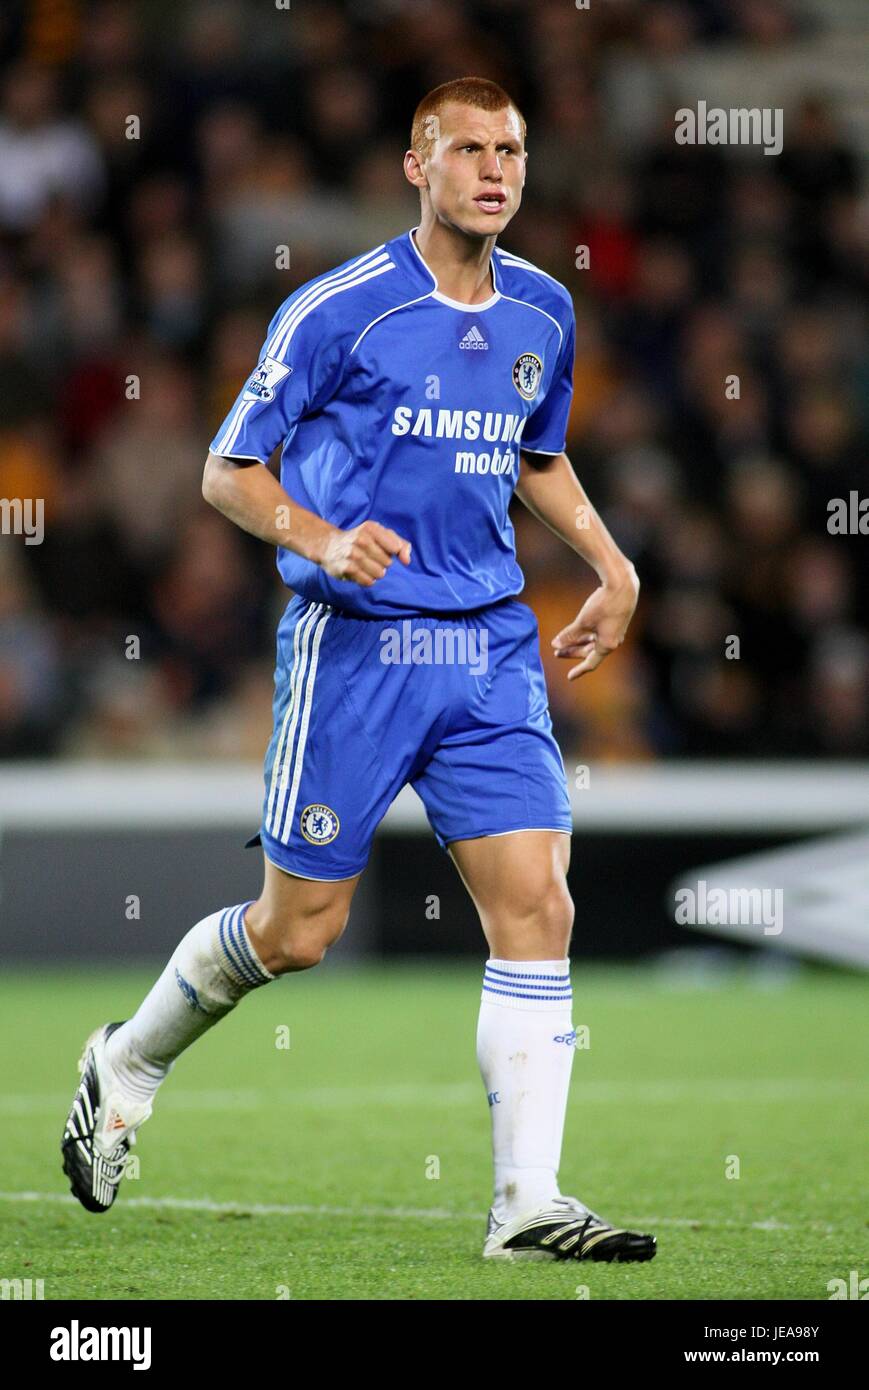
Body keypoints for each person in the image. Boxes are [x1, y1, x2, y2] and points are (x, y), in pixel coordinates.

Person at [62, 77, 654, 1264]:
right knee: (296, 934)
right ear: (414, 165)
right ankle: (125, 1059)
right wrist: (321, 539)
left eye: (512, 150)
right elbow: (229, 472)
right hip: (357, 648)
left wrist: (608, 564)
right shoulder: (341, 310)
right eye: (470, 150)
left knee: (539, 905)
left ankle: (523, 1203)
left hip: (486, 645)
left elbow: (534, 452)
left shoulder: (541, 311)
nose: (496, 170)